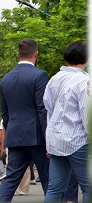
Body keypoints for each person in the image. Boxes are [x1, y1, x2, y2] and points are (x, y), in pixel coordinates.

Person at [0, 38, 51, 202]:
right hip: (37, 137)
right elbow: (42, 109)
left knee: (10, 179)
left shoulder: (5, 79)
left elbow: (5, 114)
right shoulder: (40, 75)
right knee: (49, 181)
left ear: (18, 54)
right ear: (36, 54)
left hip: (15, 136)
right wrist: (49, 137)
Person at [43, 41, 89, 202]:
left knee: (55, 189)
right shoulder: (84, 82)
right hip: (78, 140)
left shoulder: (53, 80)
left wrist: (48, 141)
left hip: (56, 141)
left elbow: (48, 110)